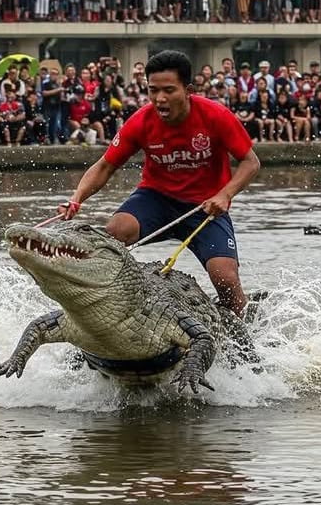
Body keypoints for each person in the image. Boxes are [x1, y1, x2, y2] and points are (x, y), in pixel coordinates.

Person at [58, 50, 260, 316]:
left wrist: (225, 195)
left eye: (168, 90)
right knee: (113, 234)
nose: (159, 99)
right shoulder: (141, 121)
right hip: (156, 199)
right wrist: (77, 199)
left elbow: (251, 162)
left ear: (188, 90)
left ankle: (245, 330)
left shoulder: (216, 115)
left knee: (225, 278)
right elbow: (105, 165)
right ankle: (97, 312)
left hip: (206, 208)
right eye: (153, 91)